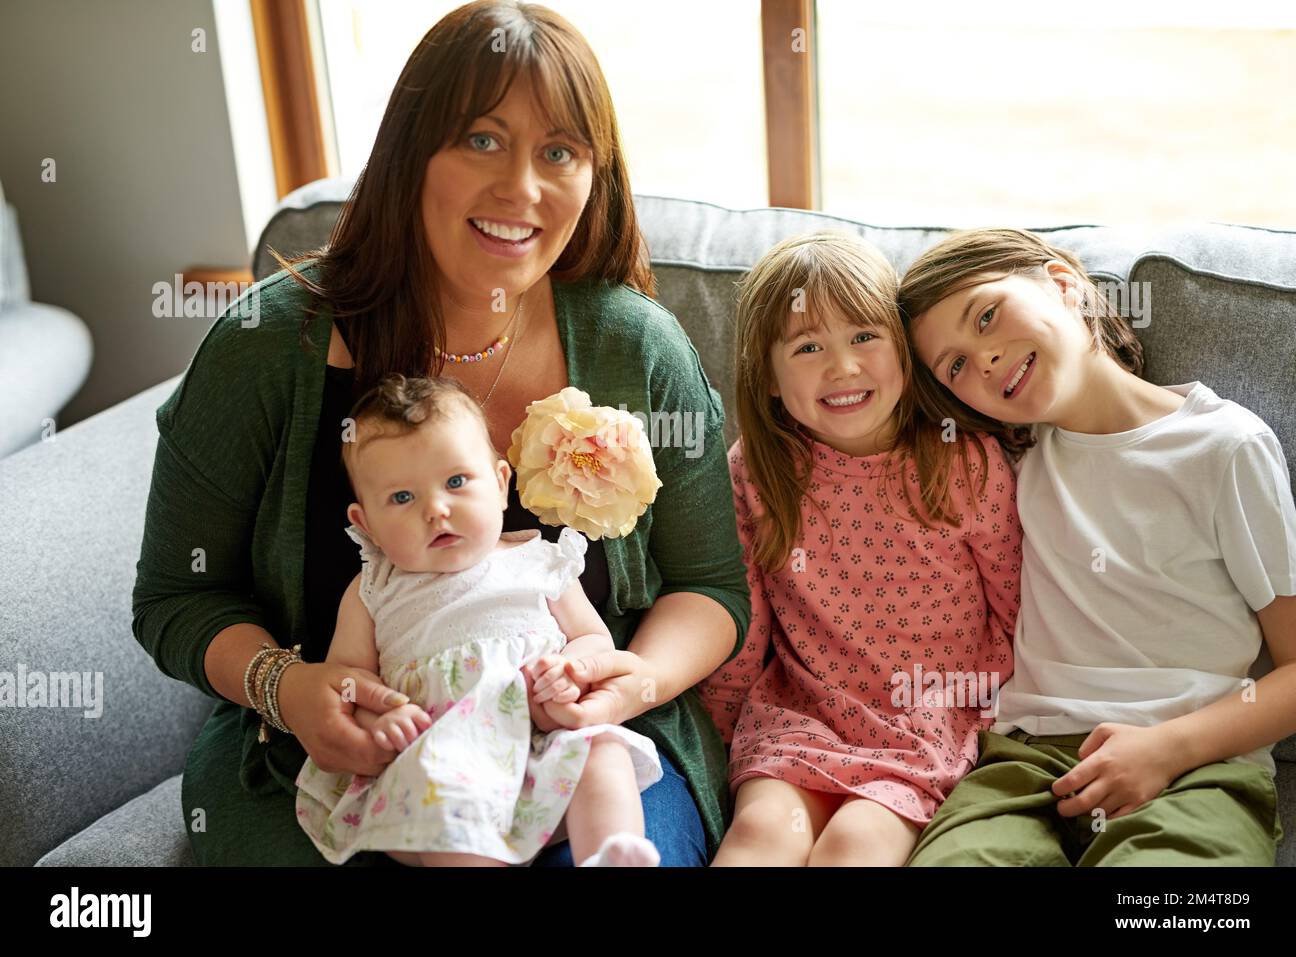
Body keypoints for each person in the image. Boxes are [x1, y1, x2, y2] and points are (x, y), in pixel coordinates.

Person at [131, 0, 749, 867]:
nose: (521, 189)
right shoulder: (266, 350)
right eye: (483, 140)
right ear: (410, 153)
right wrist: (289, 687)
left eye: (559, 152)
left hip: (579, 755)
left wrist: (632, 682)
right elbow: (176, 597)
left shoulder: (634, 346)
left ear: (593, 177)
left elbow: (711, 588)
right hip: (340, 764)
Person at [901, 227, 1296, 865]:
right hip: (1024, 761)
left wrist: (1167, 749)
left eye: (987, 316)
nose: (984, 361)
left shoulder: (1225, 447)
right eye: (954, 366)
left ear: (1062, 282)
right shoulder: (1007, 463)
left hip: (1192, 766)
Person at [697, 232, 1021, 866]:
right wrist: (716, 737)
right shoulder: (759, 473)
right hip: (802, 715)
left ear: (903, 351)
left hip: (925, 718)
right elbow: (743, 621)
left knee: (856, 841)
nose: (842, 367)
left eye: (864, 337)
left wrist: (1000, 711)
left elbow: (1017, 603)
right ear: (766, 376)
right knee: (764, 831)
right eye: (809, 347)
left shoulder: (963, 460)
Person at [293, 374, 662, 867]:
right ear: (367, 526)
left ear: (501, 483)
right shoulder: (372, 591)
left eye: (455, 482)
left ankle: (608, 854)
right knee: (451, 812)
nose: (436, 510)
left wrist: (571, 670)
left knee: (602, 752)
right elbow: (348, 681)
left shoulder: (541, 562)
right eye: (402, 498)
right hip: (443, 756)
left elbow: (594, 638)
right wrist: (378, 717)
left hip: (542, 736)